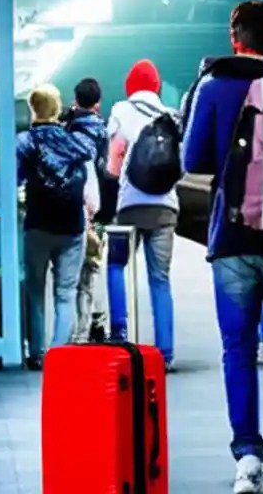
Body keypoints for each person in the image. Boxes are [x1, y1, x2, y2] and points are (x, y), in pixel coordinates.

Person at [181, 1, 263, 493]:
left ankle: (248, 458)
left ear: (234, 37)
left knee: (238, 349)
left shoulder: (215, 87)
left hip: (234, 240)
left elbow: (192, 159)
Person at [16, 84, 99, 371]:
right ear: (57, 108)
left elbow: (13, 181)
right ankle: (59, 355)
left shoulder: (25, 142)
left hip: (37, 225)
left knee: (34, 290)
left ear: (33, 108)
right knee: (65, 292)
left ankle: (37, 354)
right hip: (71, 227)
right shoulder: (72, 140)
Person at [106, 59, 180, 370]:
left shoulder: (121, 111)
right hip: (165, 207)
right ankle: (164, 351)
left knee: (116, 265)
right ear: (157, 86)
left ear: (130, 85)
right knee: (160, 279)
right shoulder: (171, 116)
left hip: (130, 206)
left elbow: (113, 163)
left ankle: (120, 331)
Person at [62, 77, 110, 344]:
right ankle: (96, 321)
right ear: (98, 103)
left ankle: (79, 330)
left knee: (75, 272)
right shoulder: (101, 130)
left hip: (72, 205)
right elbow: (104, 169)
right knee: (93, 266)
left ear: (75, 99)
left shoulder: (67, 129)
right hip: (94, 206)